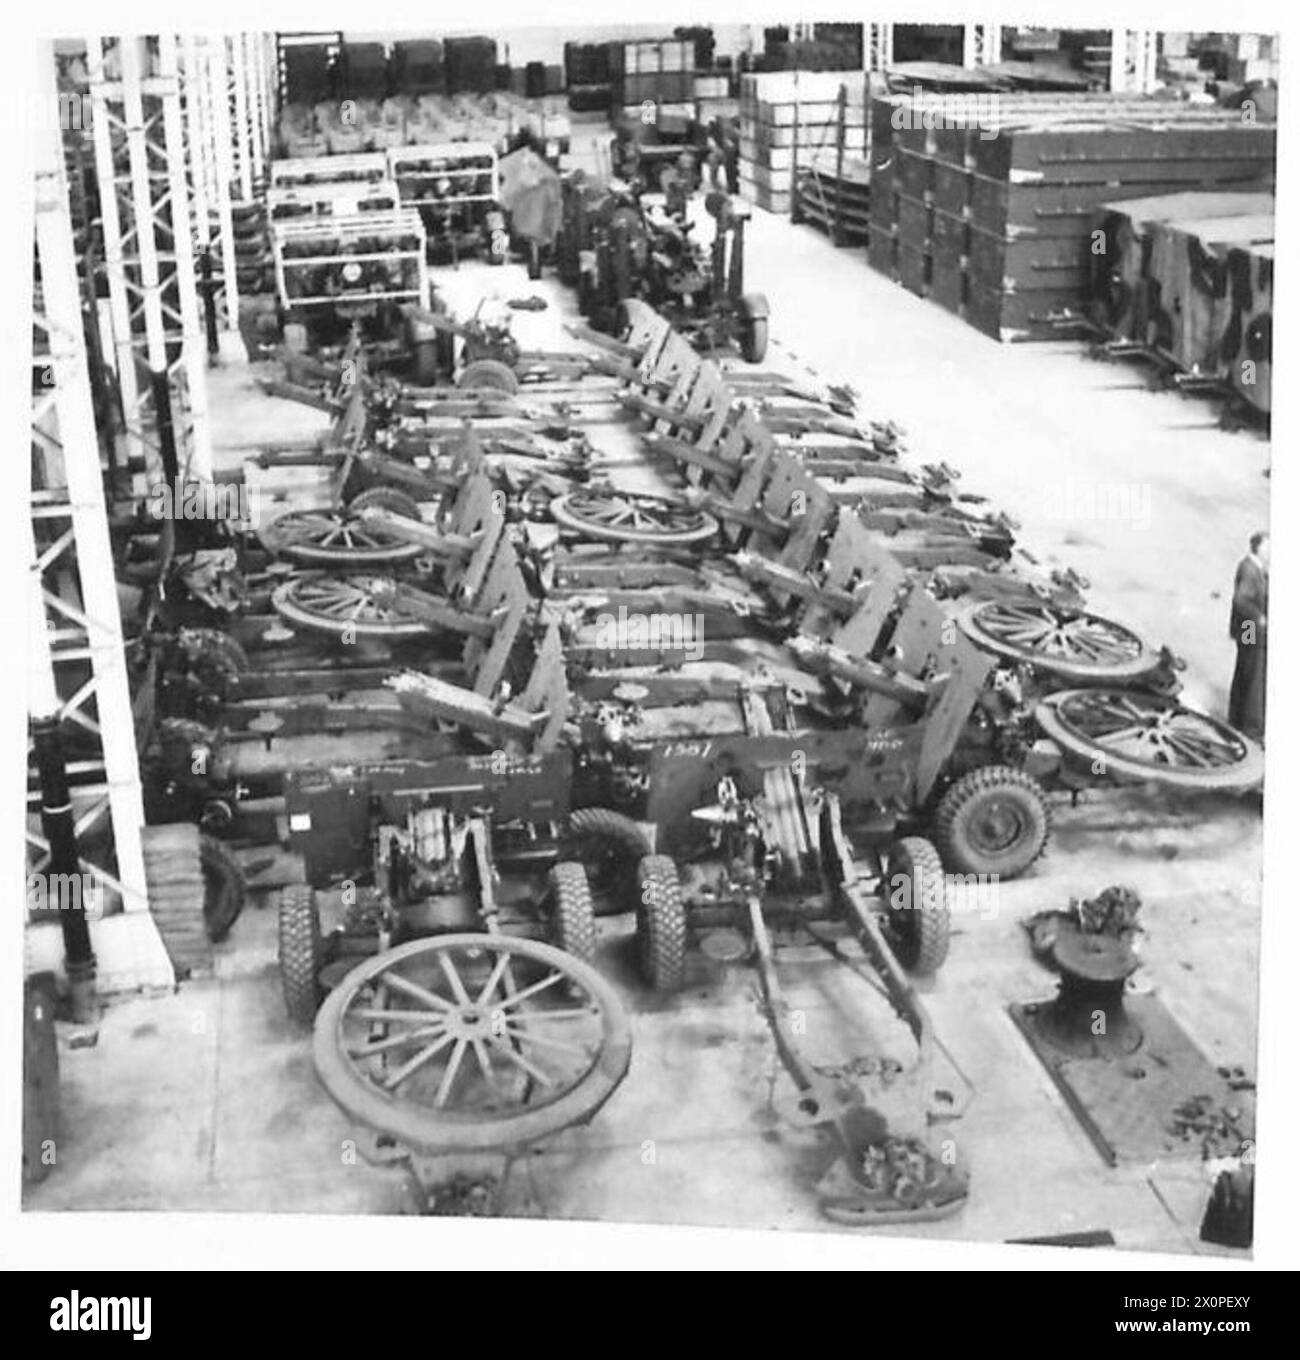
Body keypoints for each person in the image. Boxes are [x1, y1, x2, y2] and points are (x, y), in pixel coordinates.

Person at [1228, 530, 1269, 741]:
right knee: (1252, 672)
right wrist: (1259, 618)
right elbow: (1241, 601)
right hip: (1249, 627)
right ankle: (1251, 728)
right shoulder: (1250, 570)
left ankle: (1236, 719)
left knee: (1246, 669)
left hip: (1246, 627)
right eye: (1268, 548)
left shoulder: (1257, 568)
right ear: (1258, 548)